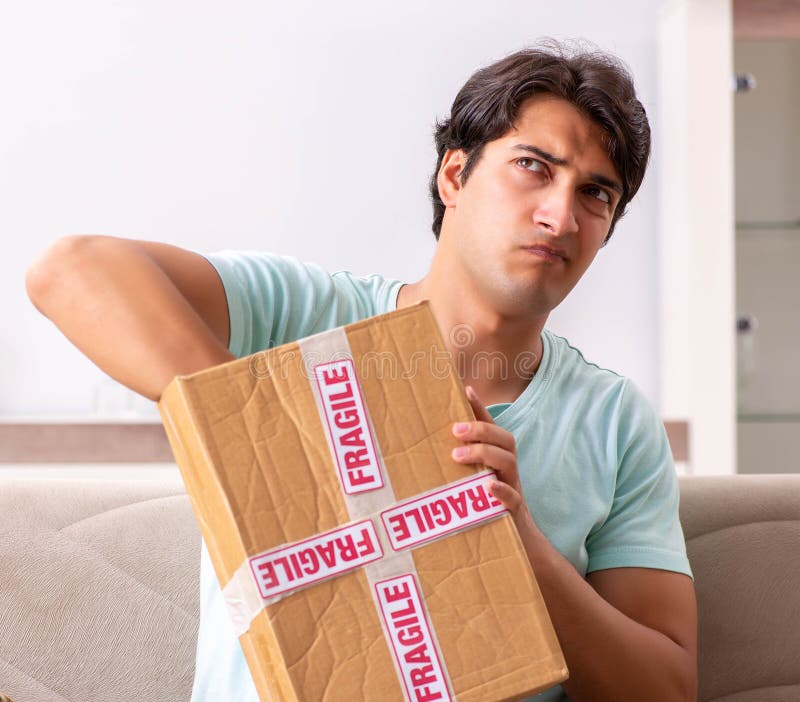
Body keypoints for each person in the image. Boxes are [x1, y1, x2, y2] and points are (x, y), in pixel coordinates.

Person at [26, 41, 697, 701]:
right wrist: (269, 422)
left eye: (595, 194)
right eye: (532, 166)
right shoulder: (304, 318)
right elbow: (72, 269)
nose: (559, 215)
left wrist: (519, 541)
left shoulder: (614, 422)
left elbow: (665, 688)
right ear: (455, 177)